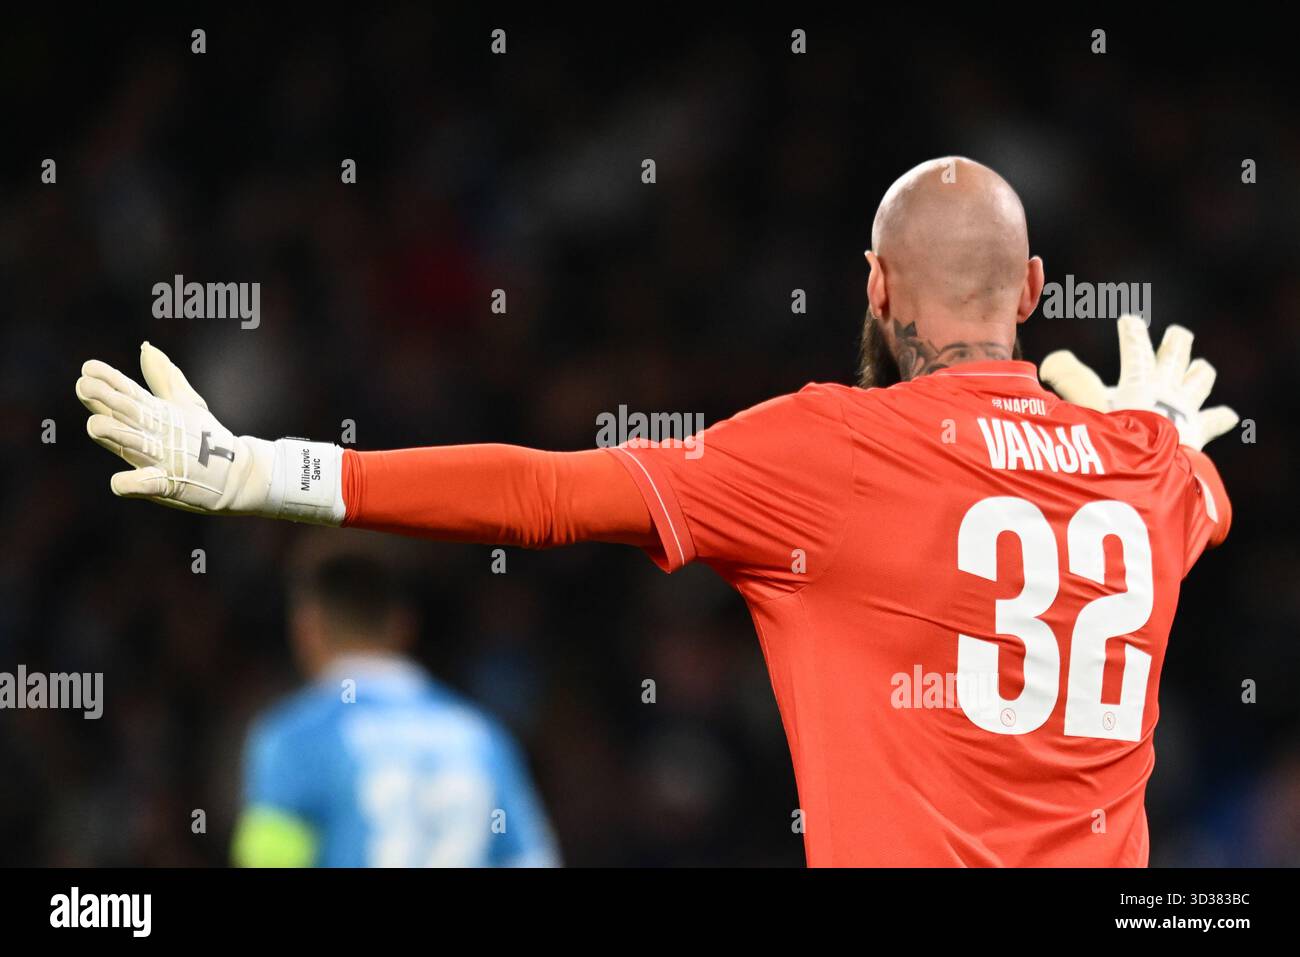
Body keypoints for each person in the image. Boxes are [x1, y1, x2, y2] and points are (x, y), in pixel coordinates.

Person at [77, 157, 1236, 866]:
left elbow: (541, 494)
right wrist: (1149, 431)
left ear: (875, 287)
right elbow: (1195, 485)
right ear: (1033, 292)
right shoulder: (1150, 473)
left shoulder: (825, 448)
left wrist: (259, 473)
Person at [231, 550, 560, 868]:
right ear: (403, 625)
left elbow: (269, 861)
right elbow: (531, 859)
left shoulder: (296, 736)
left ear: (306, 628)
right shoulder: (479, 735)